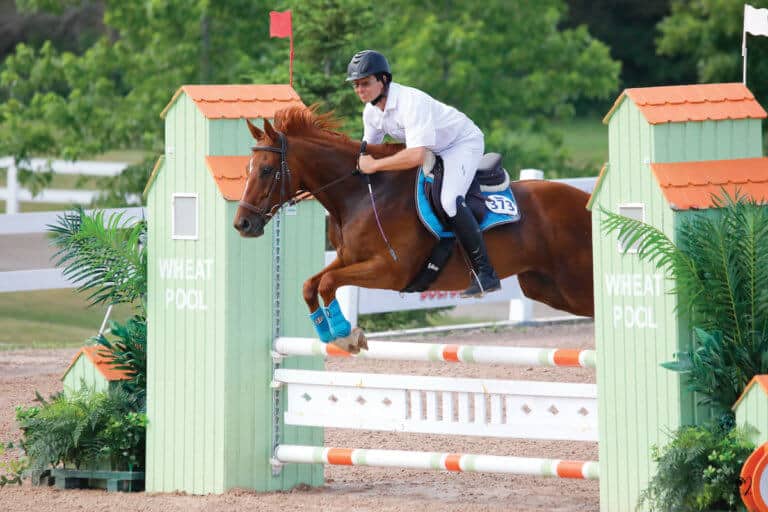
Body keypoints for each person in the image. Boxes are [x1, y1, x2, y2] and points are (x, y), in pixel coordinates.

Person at [348, 49, 500, 297]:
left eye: (365, 83)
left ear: (384, 80)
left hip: (460, 143)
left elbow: (416, 155)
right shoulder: (371, 112)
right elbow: (369, 150)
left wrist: (374, 166)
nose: (359, 90)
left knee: (449, 200)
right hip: (435, 148)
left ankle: (486, 274)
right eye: (355, 85)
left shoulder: (410, 102)